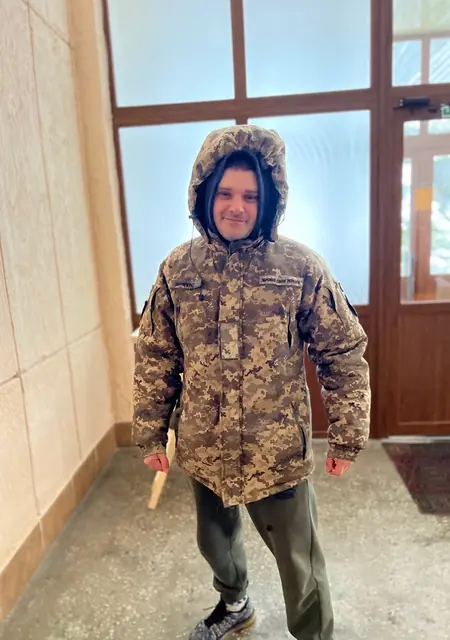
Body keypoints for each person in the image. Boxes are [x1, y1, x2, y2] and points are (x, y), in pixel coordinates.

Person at [133, 125, 371, 640]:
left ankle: (314, 635)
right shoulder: (179, 269)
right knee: (215, 543)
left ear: (270, 201)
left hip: (276, 452)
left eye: (251, 196)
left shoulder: (299, 267)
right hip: (205, 448)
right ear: (203, 194)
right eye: (225, 193)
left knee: (299, 563)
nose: (236, 207)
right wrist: (151, 432)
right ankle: (235, 605)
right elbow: (156, 352)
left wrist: (347, 436)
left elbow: (342, 352)